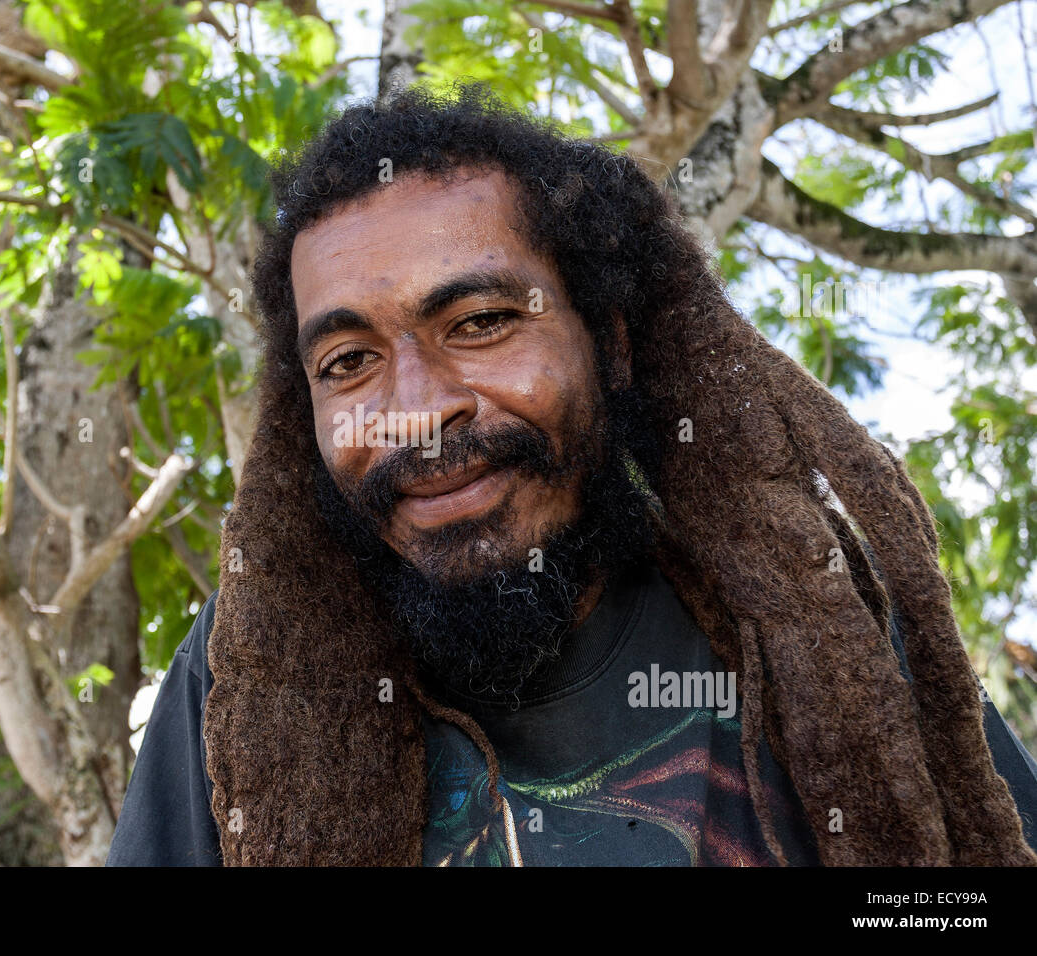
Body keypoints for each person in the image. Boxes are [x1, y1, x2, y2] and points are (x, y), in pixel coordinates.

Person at [107, 82, 1037, 866]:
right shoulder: (246, 672)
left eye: (480, 322)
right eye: (347, 361)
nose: (418, 410)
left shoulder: (814, 623)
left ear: (610, 343)